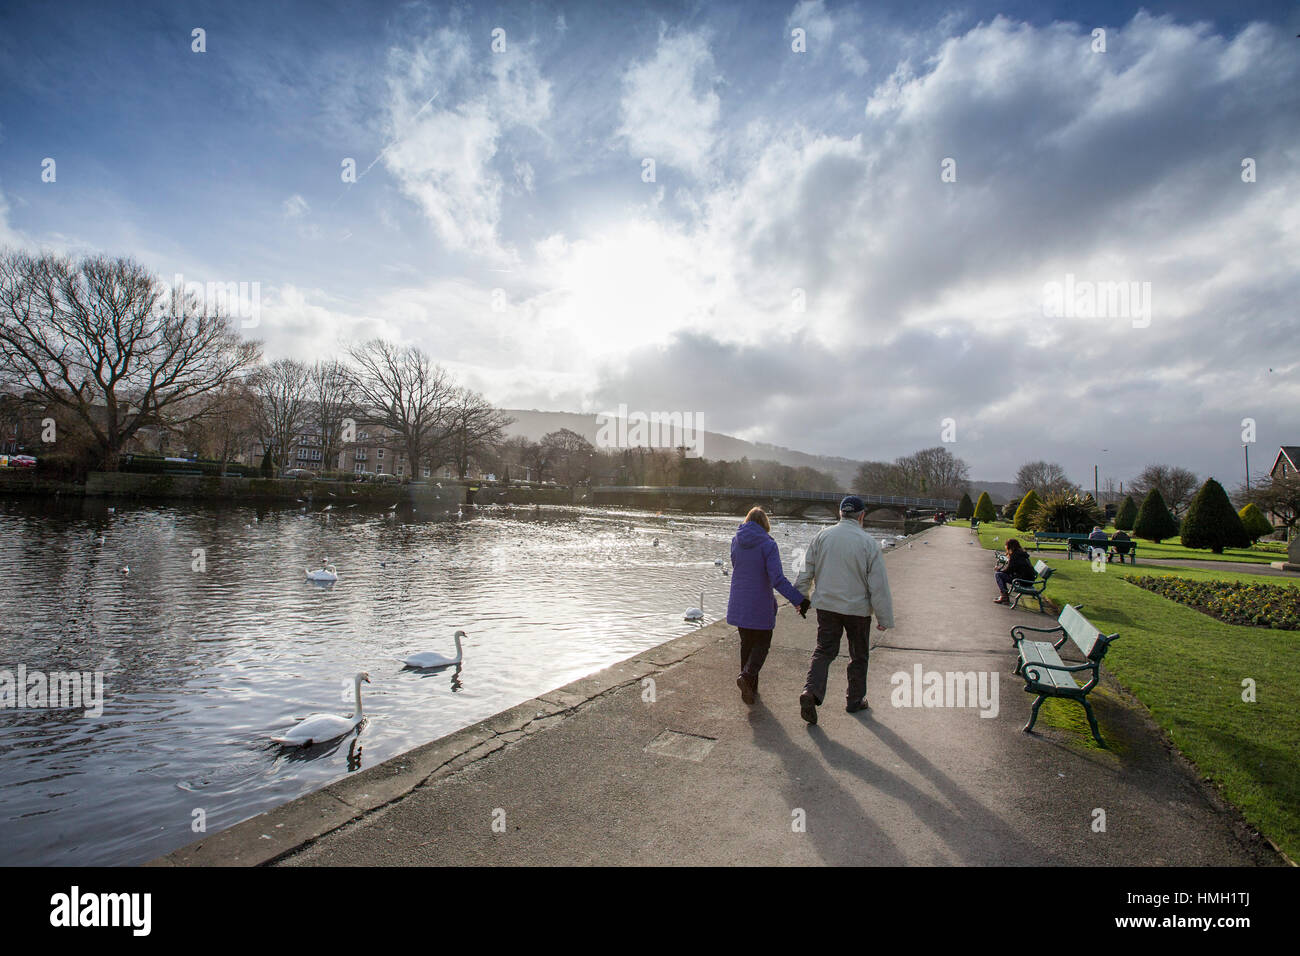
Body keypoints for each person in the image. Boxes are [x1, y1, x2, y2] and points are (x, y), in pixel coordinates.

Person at [793, 495, 894, 724]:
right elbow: (878, 585)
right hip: (857, 609)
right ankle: (854, 700)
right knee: (858, 655)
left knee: (824, 651)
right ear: (861, 515)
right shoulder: (868, 543)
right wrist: (883, 617)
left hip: (827, 606)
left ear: (840, 513)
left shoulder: (822, 537)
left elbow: (806, 570)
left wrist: (801, 598)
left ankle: (811, 691)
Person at [725, 507, 808, 705]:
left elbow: (737, 565)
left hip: (739, 600)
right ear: (765, 525)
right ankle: (747, 677)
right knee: (762, 643)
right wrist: (799, 599)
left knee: (746, 644)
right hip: (760, 602)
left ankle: (750, 691)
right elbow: (777, 578)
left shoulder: (736, 540)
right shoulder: (768, 544)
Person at [994, 538, 1035, 604]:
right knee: (1000, 574)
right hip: (1028, 580)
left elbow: (1009, 570)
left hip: (1023, 581)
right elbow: (1012, 569)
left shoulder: (1015, 556)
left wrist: (999, 570)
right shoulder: (1021, 554)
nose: (1005, 547)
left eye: (1006, 545)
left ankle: (1004, 596)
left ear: (1009, 546)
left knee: (998, 575)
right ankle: (1004, 596)